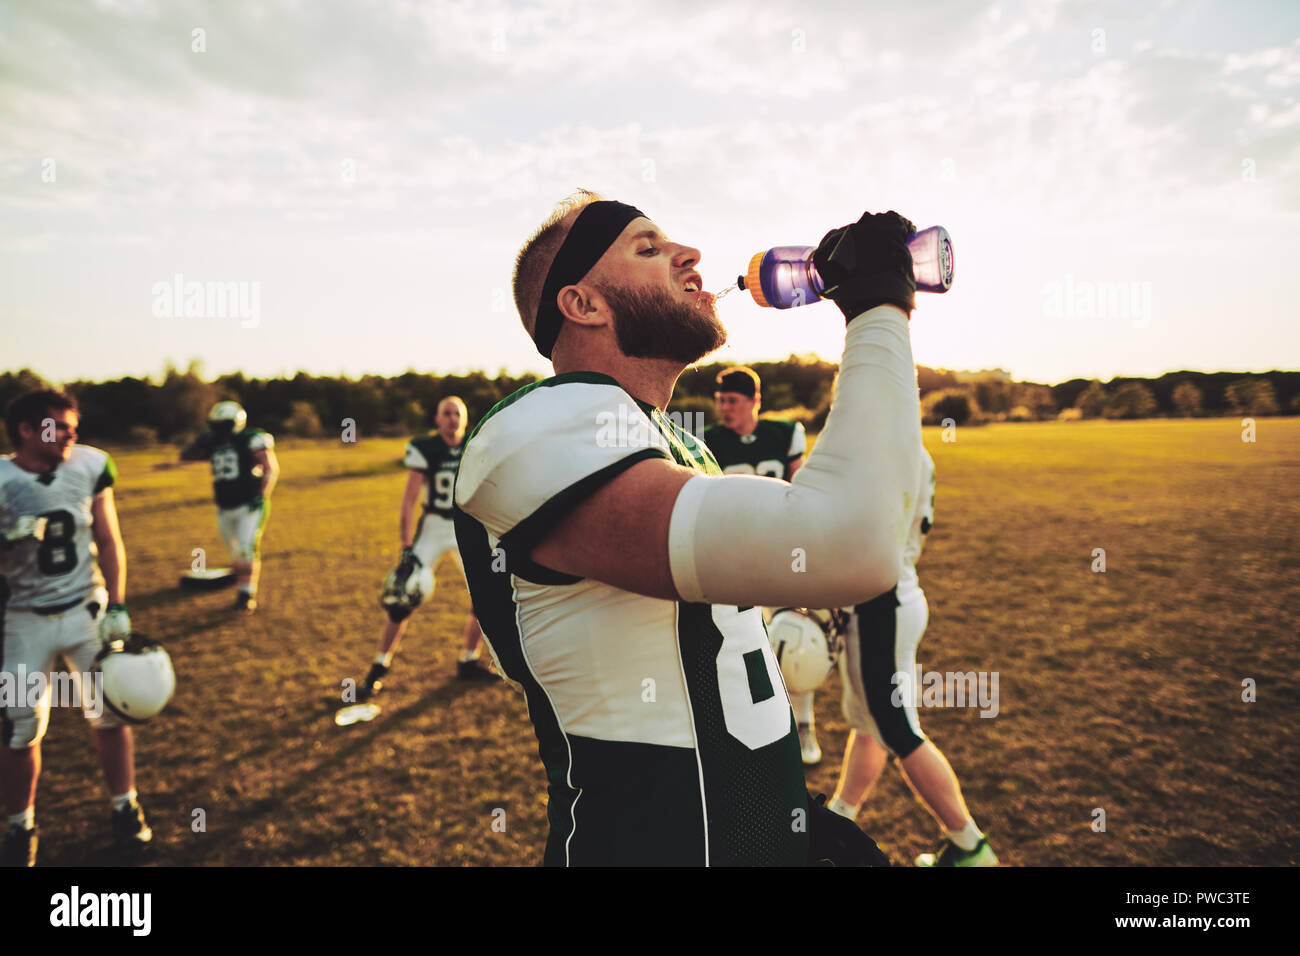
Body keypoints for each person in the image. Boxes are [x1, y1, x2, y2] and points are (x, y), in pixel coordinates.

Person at [453, 190, 923, 866]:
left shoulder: (682, 446)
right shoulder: (534, 429)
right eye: (647, 247)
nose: (689, 254)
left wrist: (776, 815)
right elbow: (852, 541)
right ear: (582, 303)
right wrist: (879, 307)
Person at [0, 389, 153, 867]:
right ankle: (19, 825)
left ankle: (124, 806)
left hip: (86, 609)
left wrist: (118, 603)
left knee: (109, 713)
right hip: (22, 617)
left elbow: (108, 539)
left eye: (72, 425)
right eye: (59, 426)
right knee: (20, 728)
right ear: (27, 431)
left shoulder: (89, 466)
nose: (71, 433)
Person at [827, 448, 998, 866]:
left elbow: (844, 531)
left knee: (897, 729)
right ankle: (837, 819)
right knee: (868, 725)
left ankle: (969, 844)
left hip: (878, 609)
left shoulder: (878, 447)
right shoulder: (911, 448)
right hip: (897, 598)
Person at [704, 367, 829, 765]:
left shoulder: (785, 433)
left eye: (733, 401)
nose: (725, 408)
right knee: (737, 646)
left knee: (794, 638)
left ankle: (804, 724)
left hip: (780, 552)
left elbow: (800, 491)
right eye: (721, 400)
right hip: (734, 557)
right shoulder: (707, 442)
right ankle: (752, 731)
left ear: (755, 401)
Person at [352, 396, 490, 701]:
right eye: (447, 413)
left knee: (485, 593)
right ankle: (379, 666)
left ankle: (469, 658)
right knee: (402, 595)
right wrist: (405, 544)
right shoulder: (426, 448)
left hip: (464, 527)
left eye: (458, 413)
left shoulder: (475, 445)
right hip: (432, 527)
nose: (453, 418)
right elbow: (409, 499)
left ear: (464, 420)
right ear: (437, 419)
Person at [179, 401, 278, 613]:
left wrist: (260, 496)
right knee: (235, 551)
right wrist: (200, 441)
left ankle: (246, 593)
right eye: (216, 424)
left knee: (245, 547)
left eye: (222, 424)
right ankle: (240, 579)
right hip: (225, 506)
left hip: (248, 505)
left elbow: (270, 469)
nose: (218, 429)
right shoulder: (212, 442)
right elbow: (185, 457)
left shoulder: (249, 439)